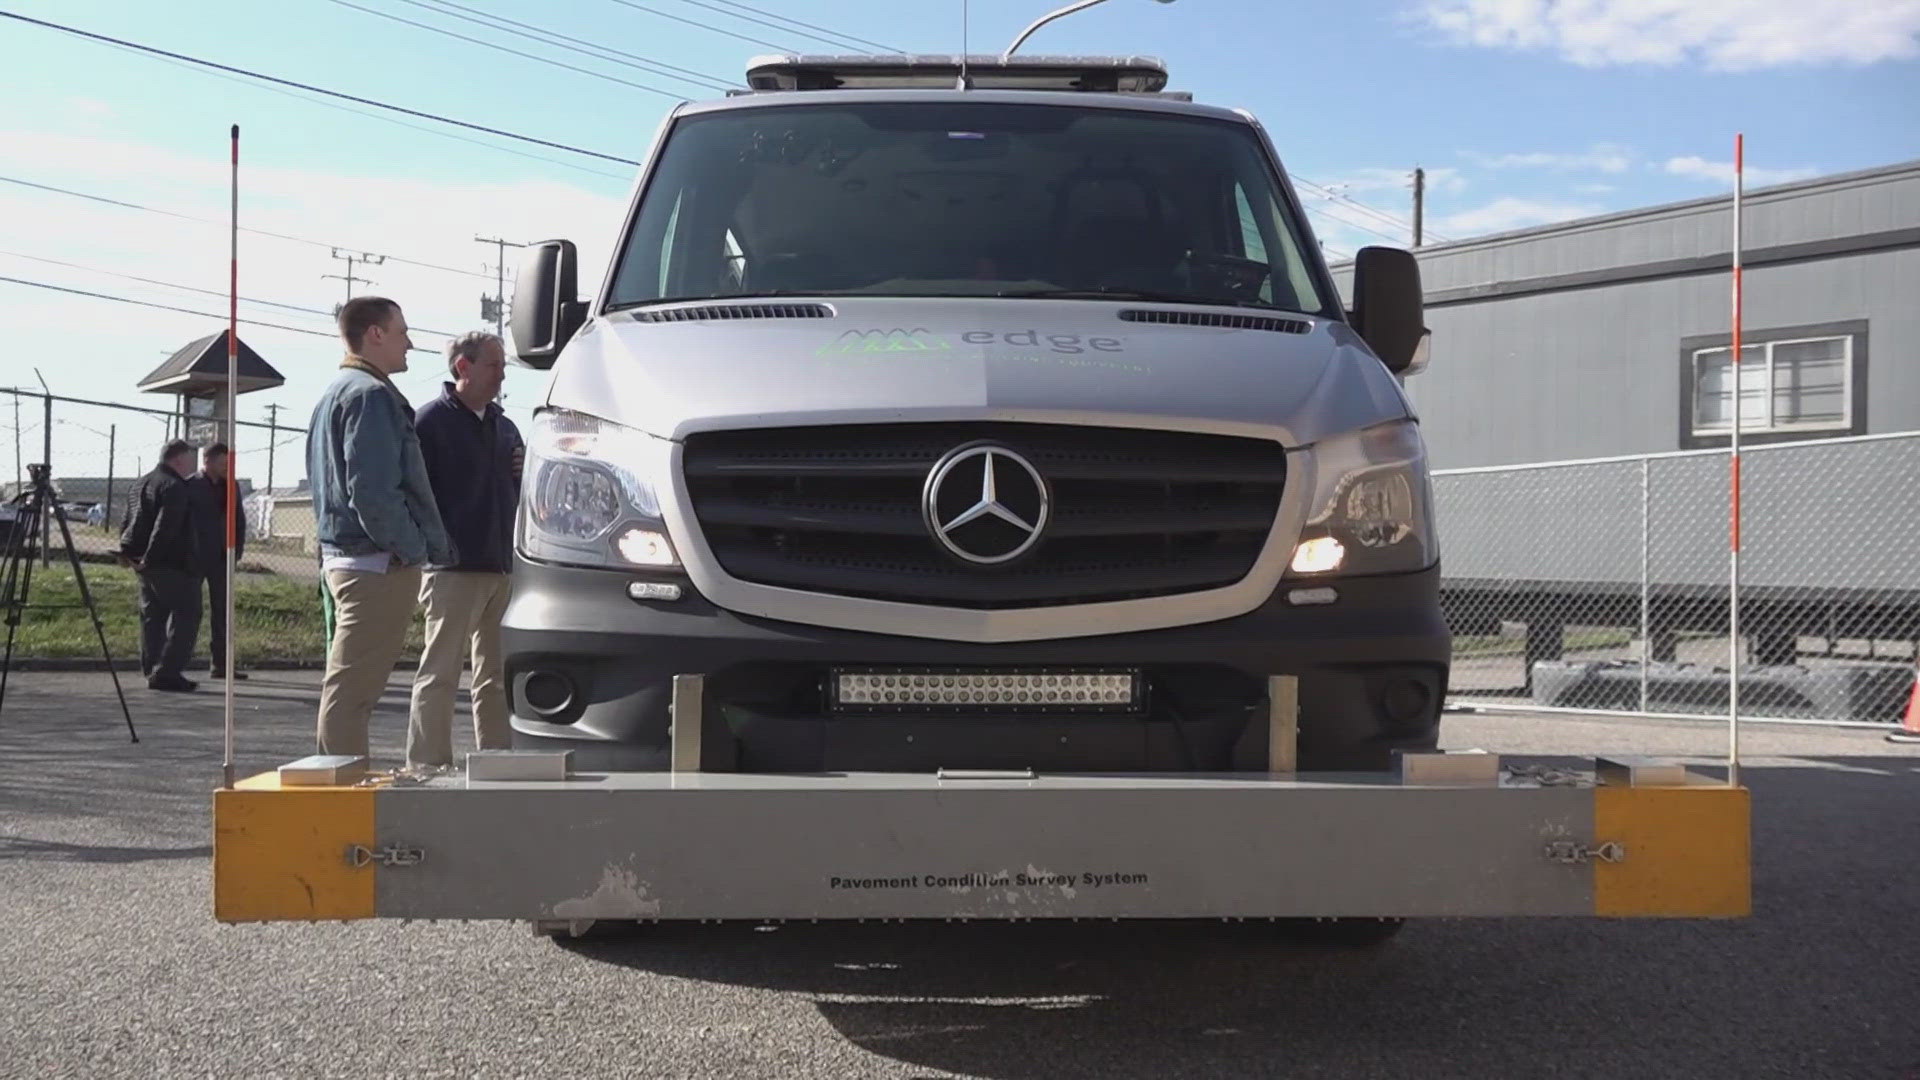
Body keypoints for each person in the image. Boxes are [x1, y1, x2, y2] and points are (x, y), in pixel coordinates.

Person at [306, 296, 455, 760]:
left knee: (348, 688)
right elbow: (372, 493)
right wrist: (411, 548)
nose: (409, 343)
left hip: (347, 560)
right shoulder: (371, 396)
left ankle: (340, 786)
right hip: (374, 566)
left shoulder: (335, 392)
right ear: (375, 334)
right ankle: (342, 799)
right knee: (353, 694)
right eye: (402, 331)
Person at [405, 331, 525, 767]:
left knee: (494, 677)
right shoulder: (429, 423)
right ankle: (427, 763)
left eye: (503, 366)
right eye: (494, 365)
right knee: (440, 673)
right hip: (451, 569)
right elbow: (414, 494)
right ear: (463, 368)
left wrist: (523, 472)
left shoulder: (505, 426)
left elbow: (522, 494)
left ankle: (497, 761)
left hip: (502, 567)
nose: (502, 374)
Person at [118, 439, 201, 692]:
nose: (192, 466)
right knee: (188, 614)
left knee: (152, 616)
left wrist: (127, 552)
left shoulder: (141, 483)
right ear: (178, 460)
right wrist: (150, 559)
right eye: (189, 460)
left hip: (143, 561)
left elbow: (128, 519)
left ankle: (152, 666)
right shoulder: (174, 486)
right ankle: (168, 671)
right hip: (169, 563)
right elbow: (165, 528)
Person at [186, 442, 248, 680]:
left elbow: (238, 520)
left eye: (229, 464)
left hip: (223, 557)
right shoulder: (191, 486)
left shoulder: (232, 486)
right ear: (207, 461)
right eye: (222, 464)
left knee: (222, 612)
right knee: (189, 610)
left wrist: (237, 551)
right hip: (195, 557)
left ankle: (221, 664)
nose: (226, 468)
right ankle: (176, 661)